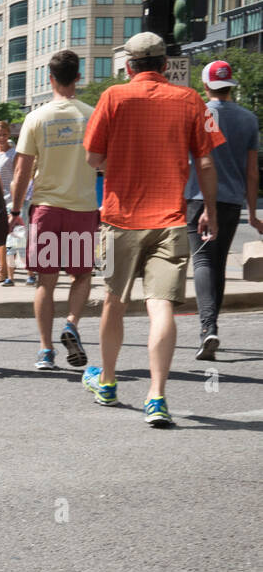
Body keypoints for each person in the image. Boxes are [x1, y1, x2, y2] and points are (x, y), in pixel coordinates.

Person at [82, 31, 223, 427]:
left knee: (113, 299)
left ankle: (107, 383)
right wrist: (209, 210)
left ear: (128, 66)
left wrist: (120, 164)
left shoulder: (113, 97)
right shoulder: (191, 100)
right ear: (164, 65)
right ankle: (157, 397)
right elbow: (207, 163)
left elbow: (93, 157)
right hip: (171, 220)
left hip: (119, 219)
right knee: (161, 305)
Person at [9, 49, 97, 371]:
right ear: (78, 77)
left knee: (45, 282)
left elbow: (21, 172)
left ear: (50, 79)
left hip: (46, 209)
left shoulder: (36, 118)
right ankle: (71, 322)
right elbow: (105, 163)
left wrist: (15, 210)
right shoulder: (92, 115)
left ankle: (46, 351)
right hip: (83, 208)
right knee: (83, 274)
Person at [185, 58, 263, 360]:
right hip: (231, 202)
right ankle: (210, 329)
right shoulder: (248, 119)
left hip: (197, 198)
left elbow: (187, 161)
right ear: (230, 85)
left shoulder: (200, 114)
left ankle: (208, 328)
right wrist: (253, 213)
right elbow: (252, 170)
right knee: (216, 264)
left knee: (203, 260)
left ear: (205, 85)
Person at [0, 120, 18, 284]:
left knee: (6, 238)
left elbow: (18, 176)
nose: (1, 138)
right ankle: (1, 269)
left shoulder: (14, 154)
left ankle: (4, 271)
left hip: (10, 199)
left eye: (4, 135)